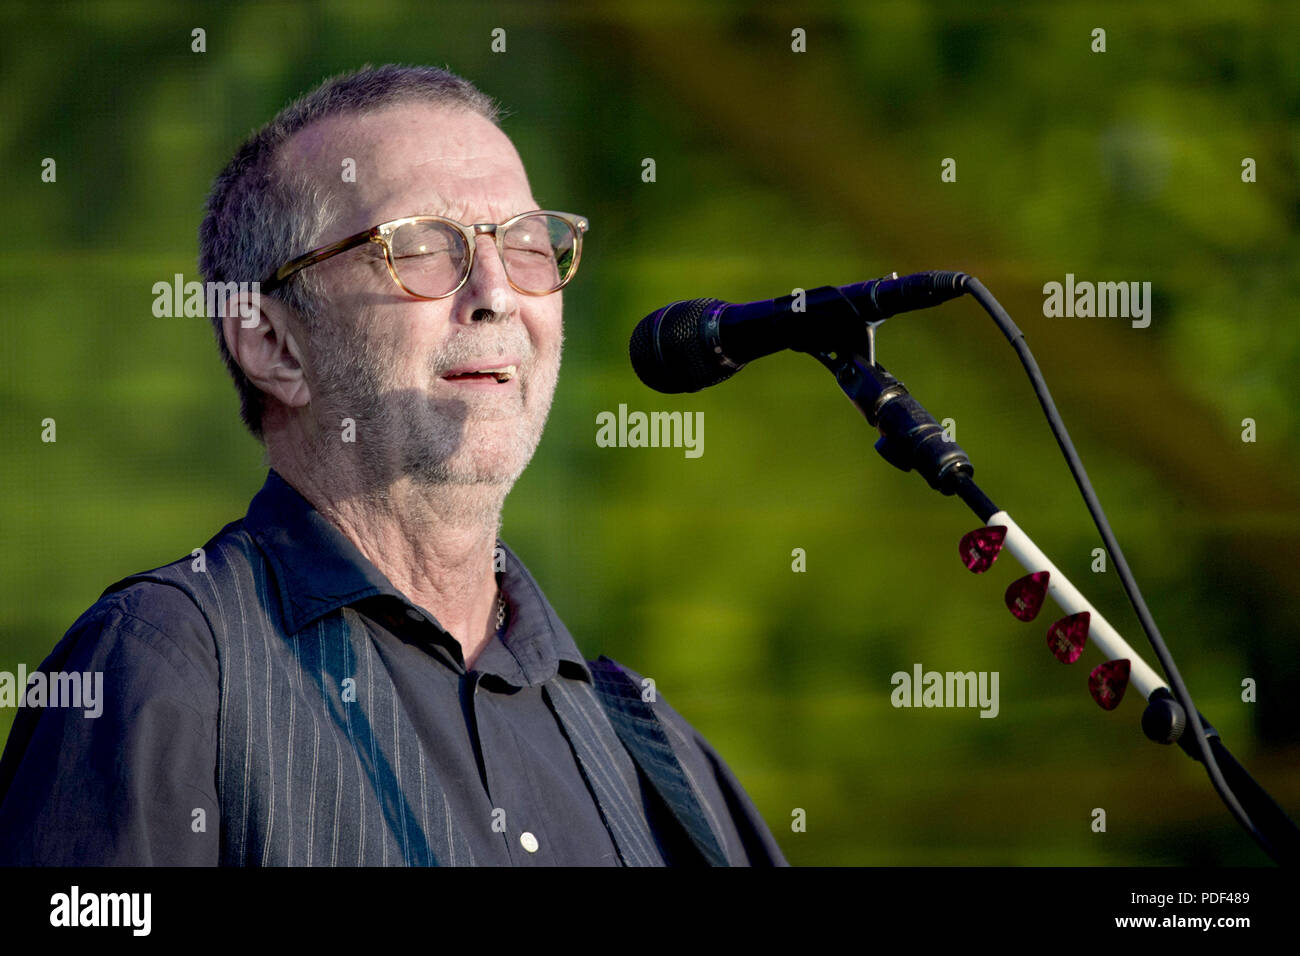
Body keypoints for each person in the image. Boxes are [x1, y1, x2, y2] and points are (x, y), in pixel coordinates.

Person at [0, 64, 787, 866]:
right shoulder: (164, 669)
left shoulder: (655, 753)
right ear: (272, 345)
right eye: (418, 246)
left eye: (525, 243)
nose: (496, 293)